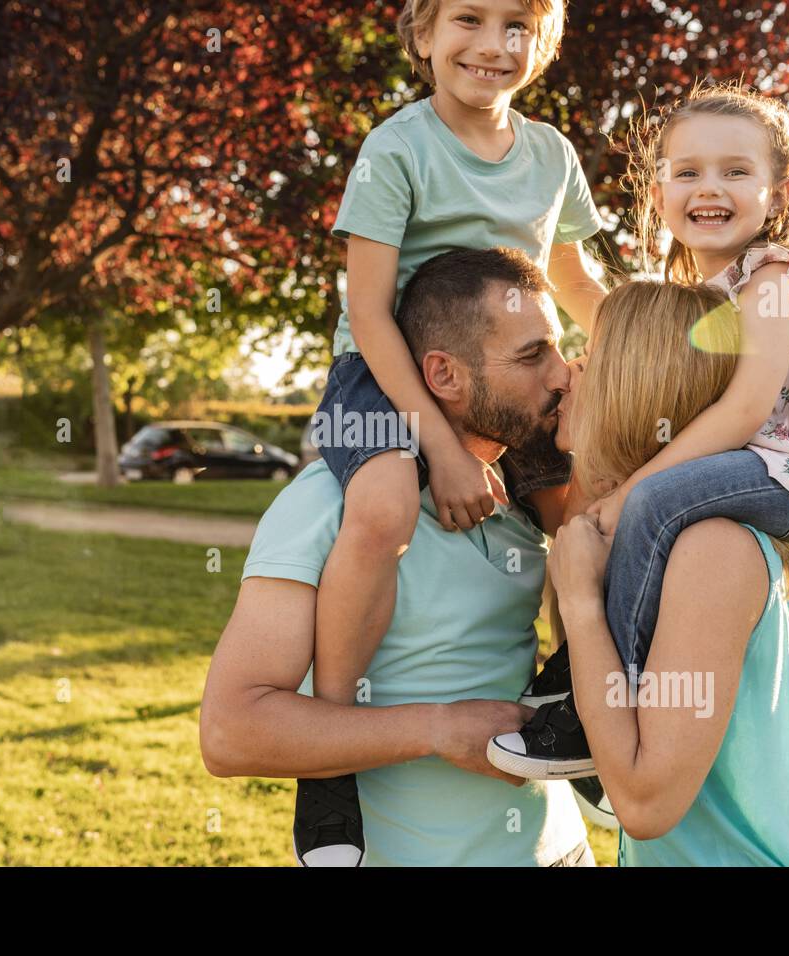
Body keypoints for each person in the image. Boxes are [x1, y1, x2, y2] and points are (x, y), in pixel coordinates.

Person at [489, 83, 789, 796]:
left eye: (737, 171)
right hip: (780, 471)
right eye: (689, 171)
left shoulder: (771, 277)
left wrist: (632, 494)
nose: (711, 188)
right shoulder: (710, 288)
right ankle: (581, 687)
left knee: (652, 507)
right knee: (639, 511)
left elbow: (742, 410)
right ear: (658, 187)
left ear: (780, 188)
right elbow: (609, 316)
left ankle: (594, 701)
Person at [299, 0, 608, 864]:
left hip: (507, 370)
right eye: (468, 18)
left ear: (541, 44)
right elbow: (367, 307)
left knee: (593, 515)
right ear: (423, 35)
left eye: (518, 25)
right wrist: (435, 443)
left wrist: (650, 340)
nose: (493, 44)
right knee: (387, 506)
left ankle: (568, 700)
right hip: (384, 367)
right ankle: (328, 760)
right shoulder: (398, 147)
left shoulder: (551, 155)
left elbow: (577, 280)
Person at [200, 247, 592, 866]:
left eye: (557, 349)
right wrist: (437, 729)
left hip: (561, 850)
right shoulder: (331, 505)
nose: (562, 374)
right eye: (531, 354)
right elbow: (231, 731)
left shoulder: (523, 498)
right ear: (444, 376)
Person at [500, 279, 789, 865]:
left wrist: (581, 605)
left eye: (591, 358)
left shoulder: (711, 548)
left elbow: (645, 806)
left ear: (638, 389)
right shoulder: (649, 544)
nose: (568, 372)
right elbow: (603, 728)